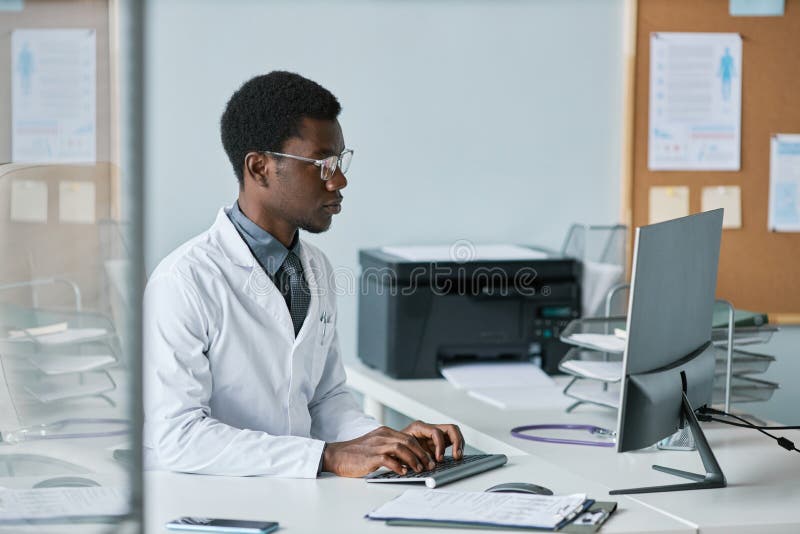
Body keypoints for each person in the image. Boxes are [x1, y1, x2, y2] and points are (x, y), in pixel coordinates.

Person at [143, 71, 464, 478]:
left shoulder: (315, 269)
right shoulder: (183, 282)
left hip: (303, 496)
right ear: (259, 168)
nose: (340, 180)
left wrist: (384, 442)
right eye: (324, 164)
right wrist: (325, 457)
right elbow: (179, 436)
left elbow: (324, 399)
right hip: (213, 504)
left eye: (342, 161)